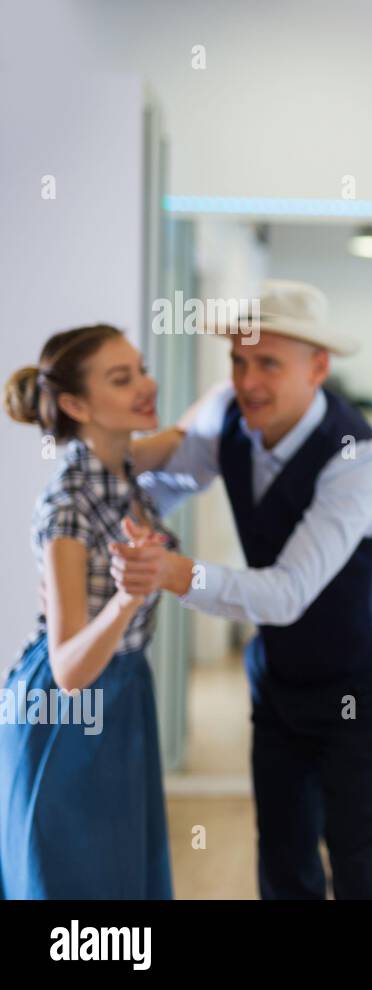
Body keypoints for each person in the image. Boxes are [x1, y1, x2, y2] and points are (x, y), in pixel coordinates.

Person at [121, 280, 372, 899]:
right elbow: (166, 486)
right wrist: (113, 484)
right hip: (277, 678)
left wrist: (175, 574)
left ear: (318, 368)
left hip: (358, 689)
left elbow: (286, 594)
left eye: (268, 364)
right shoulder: (227, 411)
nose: (248, 380)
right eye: (239, 360)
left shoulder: (358, 463)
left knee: (359, 861)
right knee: (282, 857)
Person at [0, 324, 183, 899]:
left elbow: (190, 433)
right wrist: (130, 596)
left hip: (126, 692)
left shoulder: (125, 462)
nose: (145, 385)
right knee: (75, 889)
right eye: (121, 378)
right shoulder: (68, 505)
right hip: (68, 712)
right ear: (77, 404)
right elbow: (69, 668)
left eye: (142, 369)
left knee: (123, 878)